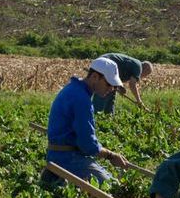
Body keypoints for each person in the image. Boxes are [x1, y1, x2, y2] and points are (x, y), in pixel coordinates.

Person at [41, 57, 133, 185]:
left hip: (57, 154)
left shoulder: (73, 89)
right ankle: (57, 176)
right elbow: (88, 145)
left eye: (114, 86)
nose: (111, 89)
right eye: (109, 84)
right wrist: (110, 155)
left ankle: (54, 176)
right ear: (95, 77)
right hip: (68, 158)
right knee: (112, 185)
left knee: (106, 178)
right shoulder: (82, 99)